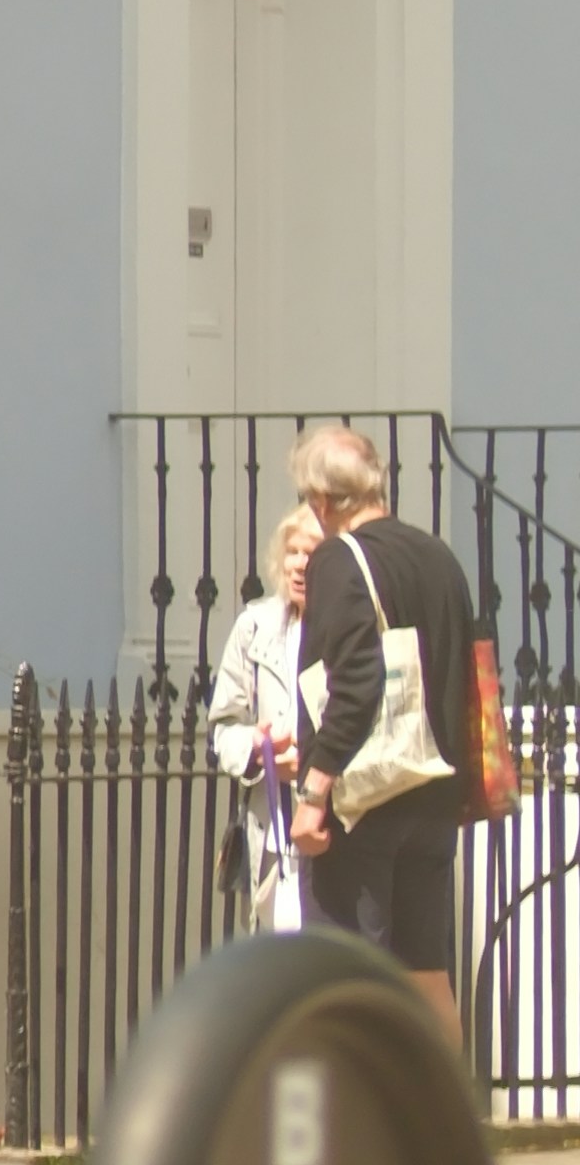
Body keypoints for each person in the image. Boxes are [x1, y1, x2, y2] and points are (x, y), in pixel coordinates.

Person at [291, 421, 484, 1014]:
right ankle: (441, 1082)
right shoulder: (439, 556)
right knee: (428, 979)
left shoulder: (338, 560)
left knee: (346, 976)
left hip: (367, 799)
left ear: (322, 499)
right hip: (434, 794)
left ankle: (357, 1081)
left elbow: (355, 685)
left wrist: (314, 793)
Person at [206, 497, 328, 929]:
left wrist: (315, 766)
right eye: (292, 552)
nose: (299, 565)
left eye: (311, 554)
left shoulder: (350, 630)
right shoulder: (253, 627)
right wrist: (257, 749)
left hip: (333, 831)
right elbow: (223, 727)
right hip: (273, 835)